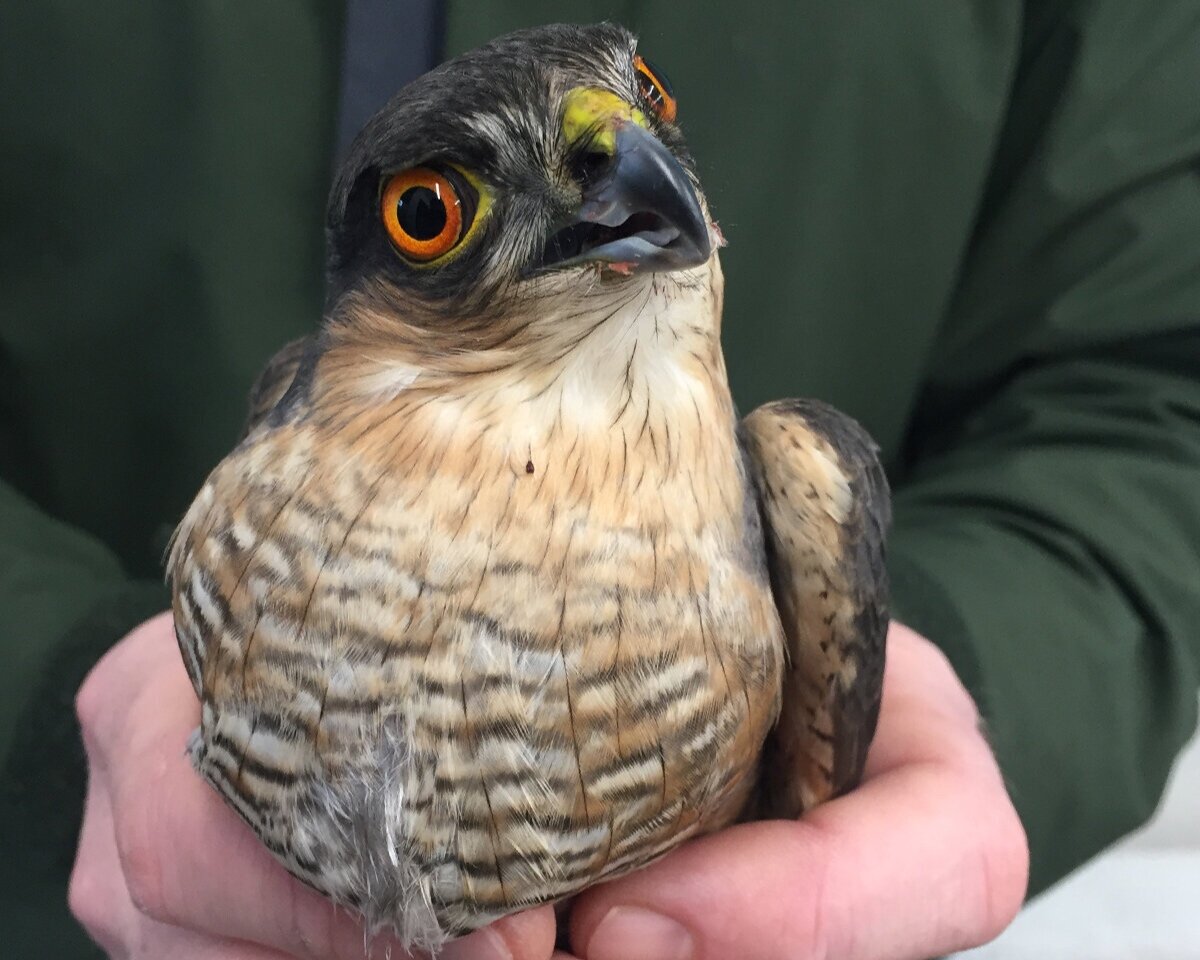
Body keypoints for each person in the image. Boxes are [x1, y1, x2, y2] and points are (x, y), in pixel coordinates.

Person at [3, 1, 1198, 958]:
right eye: (437, 216)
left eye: (647, 118)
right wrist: (56, 689)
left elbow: (1153, 383)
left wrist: (917, 669)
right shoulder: (282, 466)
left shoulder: (794, 492)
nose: (625, 162)